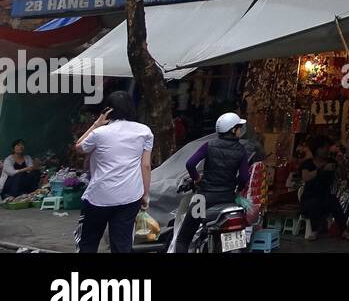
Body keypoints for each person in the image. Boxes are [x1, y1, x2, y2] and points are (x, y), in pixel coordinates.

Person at [75, 90, 153, 253]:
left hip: (99, 196)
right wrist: (145, 194)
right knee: (122, 243)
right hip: (130, 196)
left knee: (89, 241)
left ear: (108, 110)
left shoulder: (99, 133)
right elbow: (145, 165)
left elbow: (79, 147)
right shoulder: (144, 131)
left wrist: (96, 123)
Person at [172, 112, 253, 252]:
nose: (240, 130)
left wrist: (197, 179)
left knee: (183, 238)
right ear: (233, 130)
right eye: (239, 127)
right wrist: (238, 188)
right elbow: (244, 178)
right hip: (228, 199)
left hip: (203, 200)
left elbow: (190, 164)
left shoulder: (209, 145)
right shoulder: (241, 150)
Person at [298, 143, 349, 241]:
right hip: (309, 196)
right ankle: (314, 230)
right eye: (323, 148)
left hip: (325, 196)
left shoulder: (331, 162)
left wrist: (340, 164)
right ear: (317, 150)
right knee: (313, 203)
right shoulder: (308, 163)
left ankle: (344, 230)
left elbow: (343, 176)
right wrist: (321, 169)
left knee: (334, 202)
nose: (326, 150)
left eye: (327, 148)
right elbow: (305, 177)